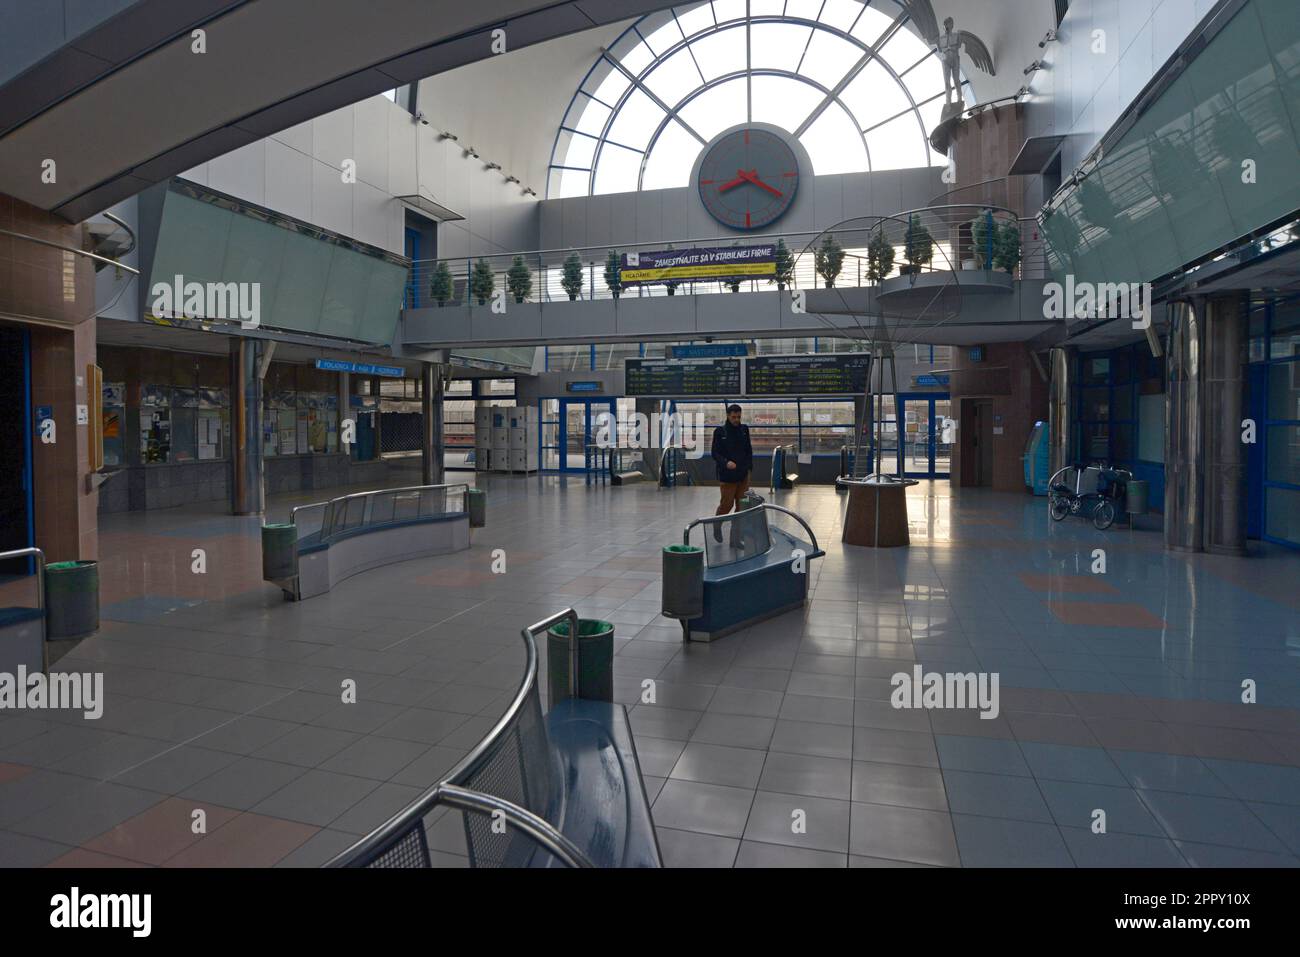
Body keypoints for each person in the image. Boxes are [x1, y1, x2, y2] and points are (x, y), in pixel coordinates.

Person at [711, 404, 753, 537]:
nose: (736, 420)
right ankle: (717, 524)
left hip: (743, 476)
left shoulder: (744, 430)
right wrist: (725, 462)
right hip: (727, 476)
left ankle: (735, 537)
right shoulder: (720, 432)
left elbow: (748, 450)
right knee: (726, 505)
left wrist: (749, 468)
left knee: (742, 506)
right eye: (734, 417)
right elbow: (715, 453)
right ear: (728, 416)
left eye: (739, 417)